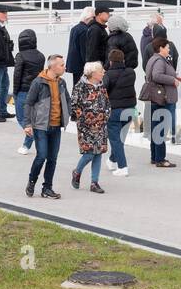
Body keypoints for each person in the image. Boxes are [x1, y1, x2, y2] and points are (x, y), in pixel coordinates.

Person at [23, 54, 72, 199]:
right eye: (62, 65)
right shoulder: (38, 82)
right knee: (41, 156)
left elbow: (68, 100)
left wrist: (68, 113)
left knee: (52, 158)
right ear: (52, 66)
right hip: (41, 127)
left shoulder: (62, 83)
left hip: (56, 127)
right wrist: (27, 124)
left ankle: (47, 188)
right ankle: (32, 182)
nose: (64, 67)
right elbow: (28, 103)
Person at [142, 36, 181, 167]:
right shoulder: (160, 60)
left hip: (155, 98)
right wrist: (173, 80)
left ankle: (155, 156)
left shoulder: (153, 59)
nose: (169, 49)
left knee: (155, 128)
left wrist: (176, 77)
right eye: (167, 47)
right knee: (161, 129)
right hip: (163, 99)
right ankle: (161, 159)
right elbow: (157, 75)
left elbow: (155, 75)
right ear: (161, 48)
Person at [71, 61, 111, 193]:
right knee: (89, 153)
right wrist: (84, 119)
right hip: (86, 127)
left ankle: (94, 182)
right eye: (101, 71)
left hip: (100, 125)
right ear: (93, 73)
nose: (103, 73)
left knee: (98, 152)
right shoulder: (80, 86)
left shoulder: (101, 86)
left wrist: (106, 115)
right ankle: (77, 172)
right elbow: (74, 105)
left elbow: (106, 103)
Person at [102, 48, 136, 176]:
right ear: (123, 59)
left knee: (115, 140)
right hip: (130, 110)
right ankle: (112, 160)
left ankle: (123, 167)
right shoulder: (131, 72)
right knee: (120, 139)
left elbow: (104, 91)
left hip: (115, 110)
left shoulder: (108, 75)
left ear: (110, 61)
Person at [12, 28, 45, 153]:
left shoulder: (20, 56)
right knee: (34, 118)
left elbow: (17, 75)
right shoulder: (41, 56)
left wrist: (15, 92)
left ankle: (37, 138)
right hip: (38, 91)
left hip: (24, 91)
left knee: (22, 119)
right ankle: (26, 145)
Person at [65, 8, 94, 89]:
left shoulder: (75, 28)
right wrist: (87, 65)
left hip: (74, 64)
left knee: (76, 87)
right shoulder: (85, 30)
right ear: (89, 18)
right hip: (81, 65)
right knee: (82, 89)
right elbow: (84, 49)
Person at [83, 3, 112, 71]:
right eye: (107, 13)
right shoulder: (95, 29)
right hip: (97, 66)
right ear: (99, 14)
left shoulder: (99, 28)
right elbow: (92, 50)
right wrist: (95, 67)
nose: (109, 15)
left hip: (100, 65)